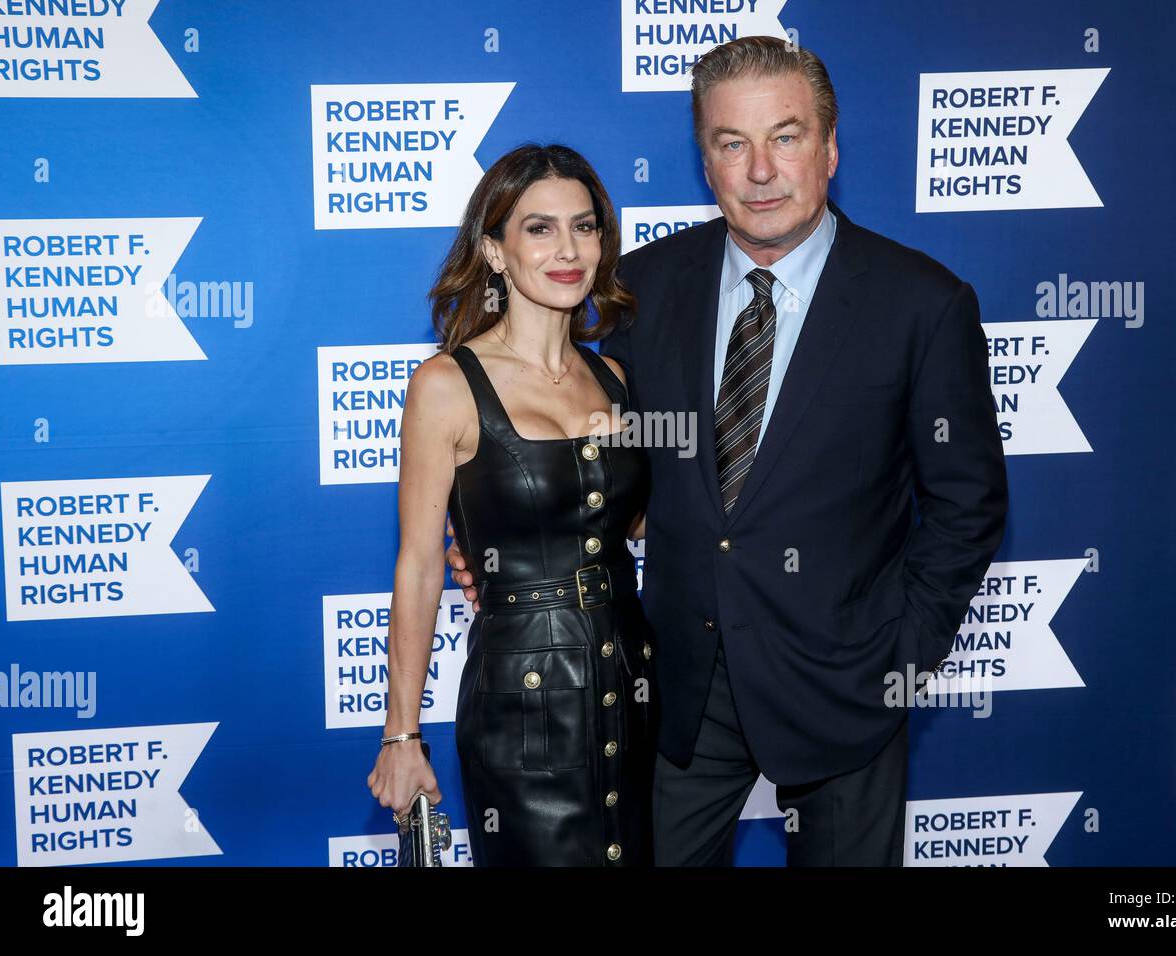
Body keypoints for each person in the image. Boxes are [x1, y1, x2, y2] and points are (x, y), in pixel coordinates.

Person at [449, 35, 1009, 866]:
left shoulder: (921, 304)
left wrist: (901, 654)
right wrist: (523, 546)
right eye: (731, 143)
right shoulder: (640, 289)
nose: (760, 170)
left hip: (848, 684)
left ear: (829, 148)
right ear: (704, 161)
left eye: (784, 137)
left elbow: (969, 505)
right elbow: (603, 457)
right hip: (679, 685)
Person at [368, 143, 655, 866]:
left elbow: (638, 523)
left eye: (585, 227)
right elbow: (420, 563)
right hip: (523, 701)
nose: (568, 249)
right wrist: (401, 735)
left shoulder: (616, 377)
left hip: (633, 680)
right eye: (540, 228)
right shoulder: (445, 384)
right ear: (494, 250)